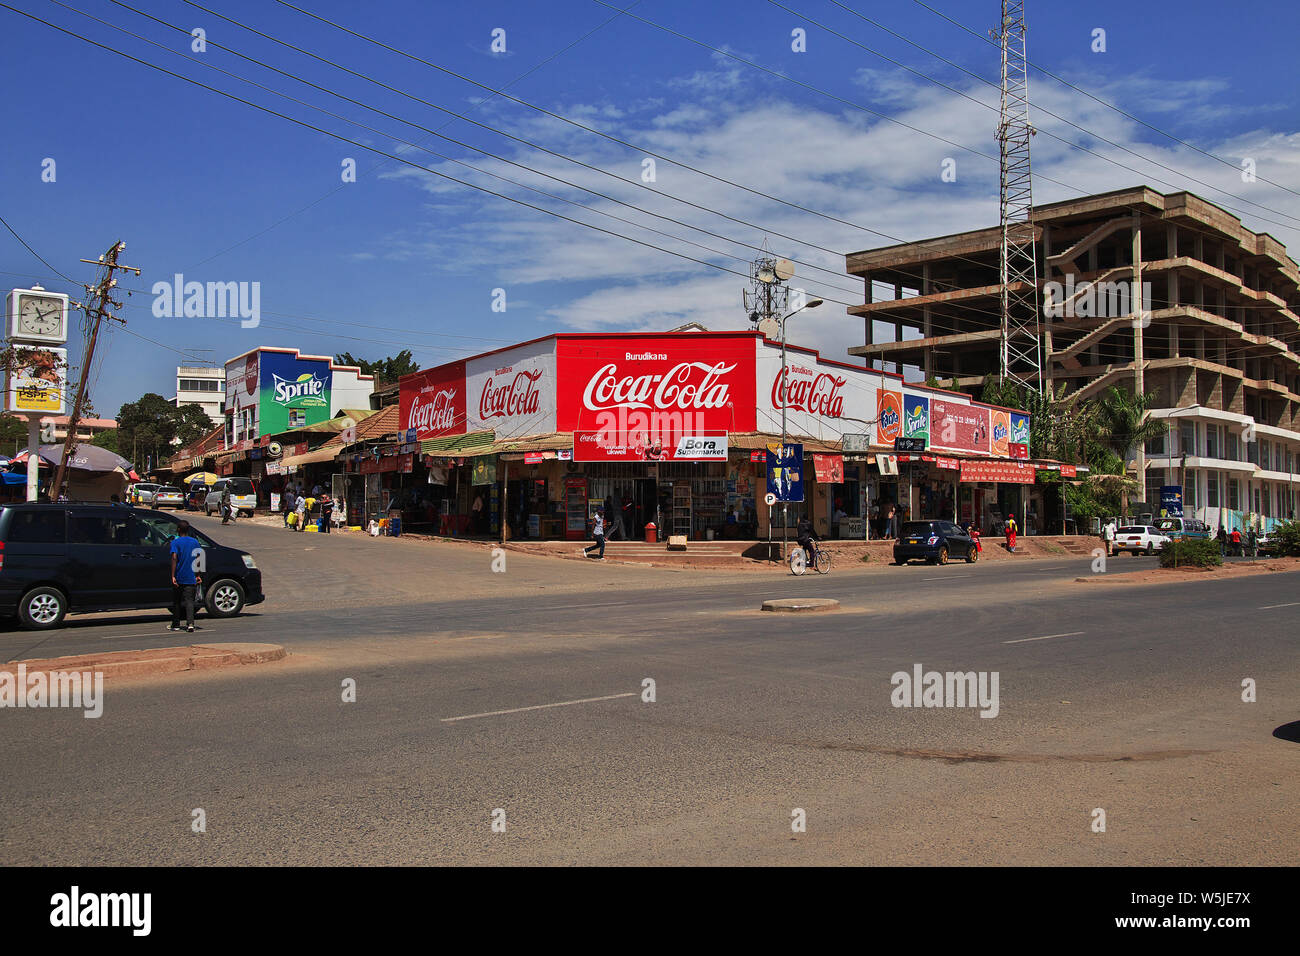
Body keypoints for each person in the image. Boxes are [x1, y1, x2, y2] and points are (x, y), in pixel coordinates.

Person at [169, 520, 203, 634]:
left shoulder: (175, 542)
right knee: (189, 601)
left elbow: (174, 558)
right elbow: (199, 558)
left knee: (177, 601)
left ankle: (176, 624)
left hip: (179, 575)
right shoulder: (195, 542)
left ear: (178, 529)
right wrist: (198, 575)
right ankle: (190, 624)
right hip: (191, 576)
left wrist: (173, 575)